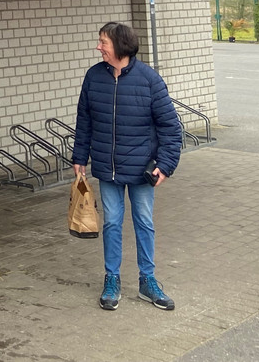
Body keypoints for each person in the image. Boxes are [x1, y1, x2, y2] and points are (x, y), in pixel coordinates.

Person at [71, 21, 182, 312]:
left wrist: (166, 166)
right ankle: (112, 279)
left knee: (144, 222)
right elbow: (85, 121)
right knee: (111, 222)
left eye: (103, 42)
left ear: (120, 46)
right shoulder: (94, 77)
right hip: (108, 169)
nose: (99, 47)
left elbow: (171, 128)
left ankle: (148, 280)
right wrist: (79, 157)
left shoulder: (149, 80)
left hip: (142, 169)